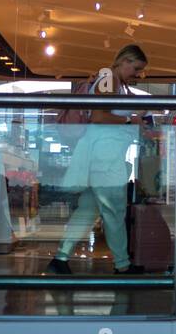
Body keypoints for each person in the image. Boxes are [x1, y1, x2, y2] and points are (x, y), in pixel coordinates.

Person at [47, 45, 148, 275]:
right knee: (114, 209)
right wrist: (131, 121)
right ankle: (122, 264)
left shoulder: (113, 81)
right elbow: (98, 115)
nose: (138, 74)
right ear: (124, 61)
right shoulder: (108, 77)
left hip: (102, 153)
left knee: (87, 209)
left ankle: (61, 258)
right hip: (105, 155)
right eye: (136, 68)